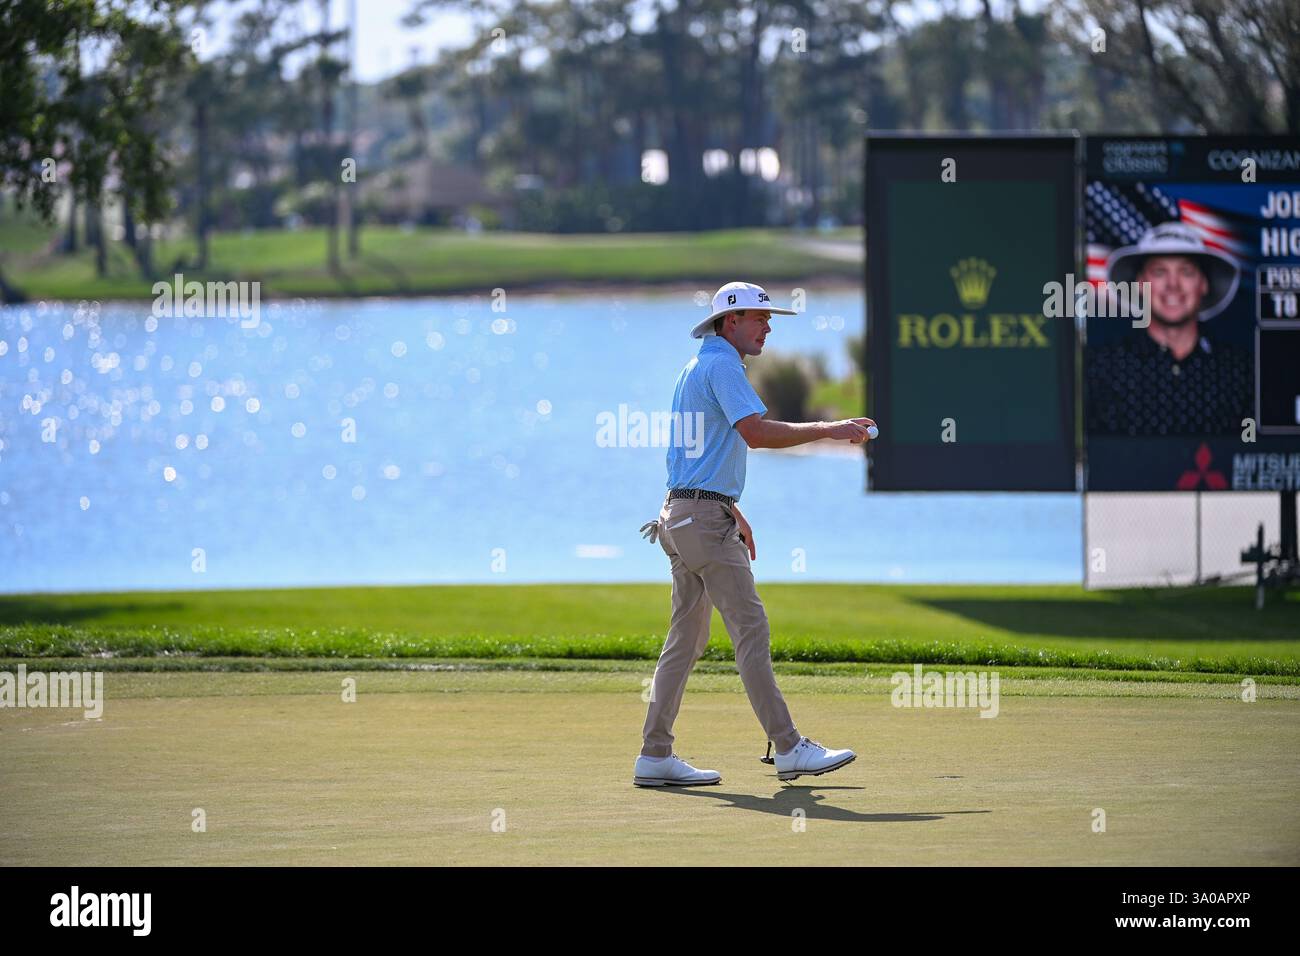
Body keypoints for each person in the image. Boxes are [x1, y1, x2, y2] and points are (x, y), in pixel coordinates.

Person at [633, 280, 875, 787]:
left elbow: (695, 456)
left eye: (768, 319)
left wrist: (727, 506)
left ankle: (655, 755)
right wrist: (831, 429)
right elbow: (757, 433)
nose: (767, 327)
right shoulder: (722, 365)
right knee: (751, 630)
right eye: (758, 318)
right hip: (698, 520)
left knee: (686, 639)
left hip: (681, 515)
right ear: (730, 321)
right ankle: (789, 748)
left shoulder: (697, 366)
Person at [1087, 221, 1250, 437]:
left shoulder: (1241, 370)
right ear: (1140, 284)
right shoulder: (1101, 368)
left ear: (1203, 284)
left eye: (1186, 271)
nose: (1173, 285)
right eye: (1160, 272)